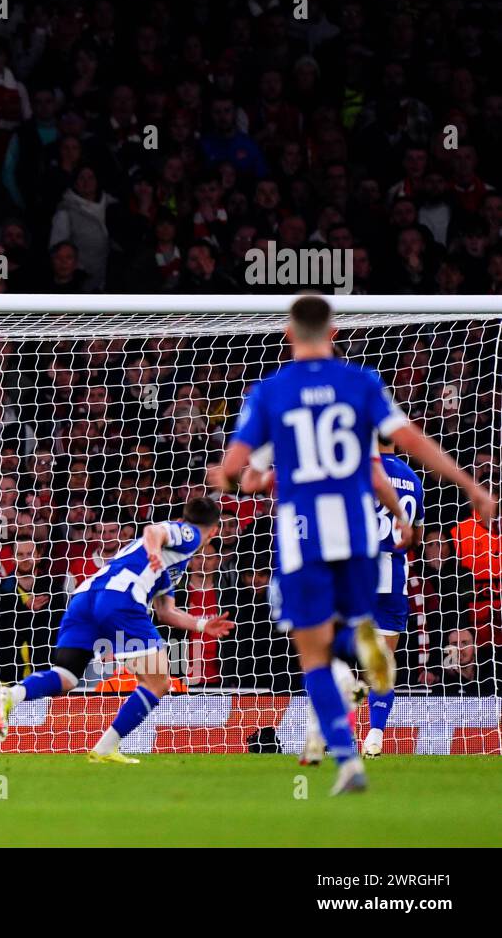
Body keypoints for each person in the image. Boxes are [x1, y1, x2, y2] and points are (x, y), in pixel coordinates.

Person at [211, 294, 495, 794]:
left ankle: (347, 745)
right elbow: (401, 448)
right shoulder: (361, 384)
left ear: (288, 334)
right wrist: (469, 486)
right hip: (361, 538)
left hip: (306, 536)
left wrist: (235, 479)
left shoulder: (271, 392)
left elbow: (236, 472)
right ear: (335, 333)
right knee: (358, 636)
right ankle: (353, 719)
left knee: (313, 654)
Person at [0, 497, 232, 762]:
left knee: (67, 676)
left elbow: (166, 612)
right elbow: (154, 531)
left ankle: (11, 695)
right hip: (121, 599)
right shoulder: (189, 534)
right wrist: (153, 551)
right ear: (215, 529)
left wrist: (202, 624)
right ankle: (105, 748)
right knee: (159, 681)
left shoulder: (170, 562)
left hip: (84, 598)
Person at [362, 436, 425, 758]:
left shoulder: (360, 468)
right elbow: (417, 537)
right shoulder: (413, 479)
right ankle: (375, 734)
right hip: (393, 576)